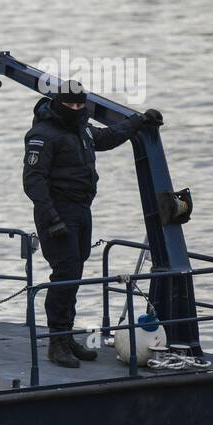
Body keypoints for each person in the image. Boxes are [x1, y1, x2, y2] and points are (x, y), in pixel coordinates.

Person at [22, 81, 163, 367]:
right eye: (70, 105)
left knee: (75, 271)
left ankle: (67, 335)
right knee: (65, 273)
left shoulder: (82, 128)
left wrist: (139, 120)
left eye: (79, 105)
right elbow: (33, 181)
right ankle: (56, 342)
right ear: (59, 103)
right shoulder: (42, 134)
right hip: (57, 212)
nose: (75, 109)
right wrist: (52, 219)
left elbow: (108, 137)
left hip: (81, 210)